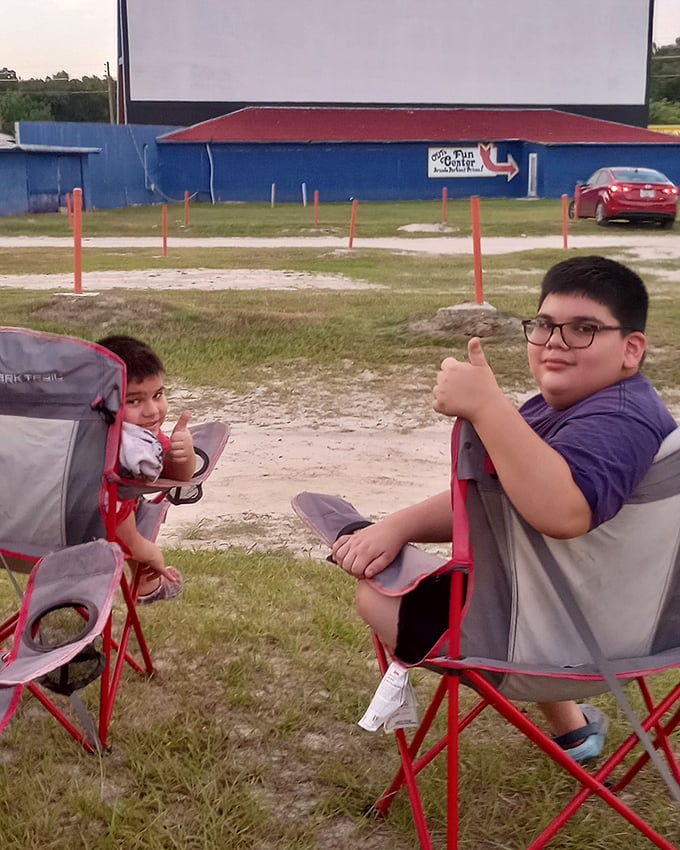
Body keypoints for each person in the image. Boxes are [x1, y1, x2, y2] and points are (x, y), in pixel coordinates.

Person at [331, 255, 676, 763]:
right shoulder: (577, 406)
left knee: (377, 595)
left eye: (584, 329)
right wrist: (397, 526)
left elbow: (562, 512)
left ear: (631, 349)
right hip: (588, 613)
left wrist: (488, 407)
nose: (556, 341)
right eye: (544, 325)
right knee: (407, 567)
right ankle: (574, 730)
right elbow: (502, 498)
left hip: (567, 639)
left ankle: (572, 724)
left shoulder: (620, 420)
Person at [97, 334, 196, 605]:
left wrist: (184, 453)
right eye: (134, 401)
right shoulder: (124, 445)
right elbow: (110, 513)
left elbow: (180, 474)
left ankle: (147, 581)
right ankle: (147, 581)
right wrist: (145, 550)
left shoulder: (75, 433)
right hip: (93, 537)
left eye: (158, 395)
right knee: (133, 500)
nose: (153, 411)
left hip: (28, 540)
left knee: (138, 501)